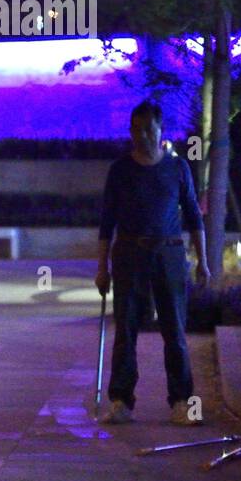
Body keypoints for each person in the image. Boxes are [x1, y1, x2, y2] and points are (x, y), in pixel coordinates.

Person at [95, 101, 210, 426]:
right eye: (136, 129)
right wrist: (102, 268)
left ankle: (182, 401)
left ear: (160, 131)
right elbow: (107, 222)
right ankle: (120, 401)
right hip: (130, 253)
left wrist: (203, 262)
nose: (141, 135)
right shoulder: (120, 170)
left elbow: (192, 216)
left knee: (174, 329)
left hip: (169, 254)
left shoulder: (177, 168)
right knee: (126, 329)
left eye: (148, 128)